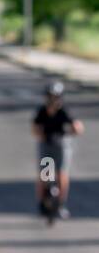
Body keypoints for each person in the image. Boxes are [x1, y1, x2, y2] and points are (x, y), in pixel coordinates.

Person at [33, 81, 84, 219]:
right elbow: (35, 128)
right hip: (46, 144)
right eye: (50, 97)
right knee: (44, 176)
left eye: (54, 97)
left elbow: (77, 127)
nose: (51, 100)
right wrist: (41, 135)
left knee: (62, 174)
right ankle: (42, 202)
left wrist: (73, 131)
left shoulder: (64, 111)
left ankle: (60, 204)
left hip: (61, 144)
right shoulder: (42, 111)